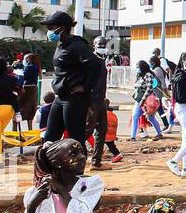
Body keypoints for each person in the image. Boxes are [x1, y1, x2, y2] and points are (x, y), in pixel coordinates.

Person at [42, 10, 103, 145]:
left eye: (51, 28)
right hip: (60, 97)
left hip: (74, 99)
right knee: (50, 139)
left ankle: (78, 165)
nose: (49, 31)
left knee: (75, 138)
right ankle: (49, 165)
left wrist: (85, 86)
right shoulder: (61, 45)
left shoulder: (77, 45)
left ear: (62, 28)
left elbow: (96, 64)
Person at [130, 61, 165, 141]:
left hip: (147, 101)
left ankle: (159, 133)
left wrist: (143, 100)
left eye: (138, 67)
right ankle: (133, 136)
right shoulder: (140, 76)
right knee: (135, 117)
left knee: (150, 118)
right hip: (139, 100)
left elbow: (149, 88)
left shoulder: (148, 75)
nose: (137, 69)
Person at [18, 53, 41, 132]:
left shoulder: (30, 67)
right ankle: (30, 129)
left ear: (29, 59)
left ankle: (16, 130)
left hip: (27, 88)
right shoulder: (36, 66)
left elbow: (23, 77)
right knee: (31, 108)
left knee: (23, 107)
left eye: (25, 59)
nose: (24, 60)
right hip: (33, 87)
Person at [95, 99, 122, 165]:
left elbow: (97, 123)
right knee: (111, 146)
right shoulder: (113, 114)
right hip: (112, 134)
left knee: (98, 144)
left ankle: (97, 156)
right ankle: (118, 154)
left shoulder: (102, 113)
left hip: (104, 133)